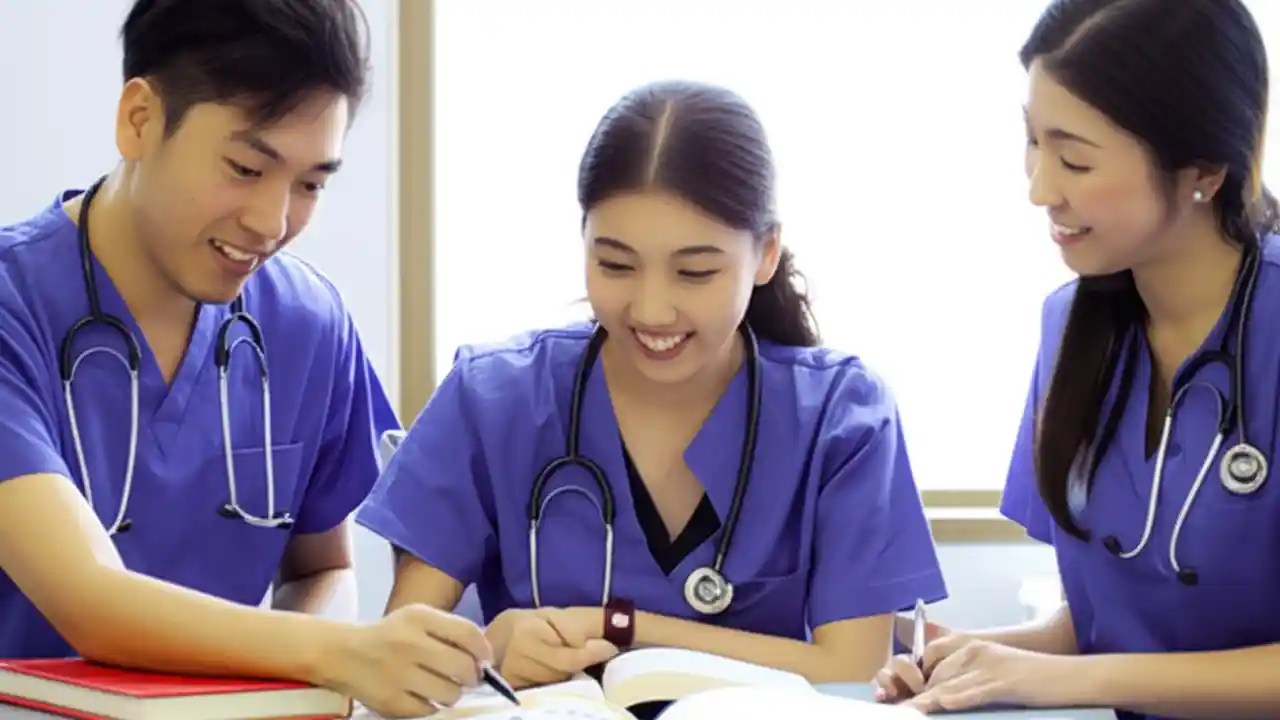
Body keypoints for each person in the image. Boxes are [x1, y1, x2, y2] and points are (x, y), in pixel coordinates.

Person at [355, 79, 948, 690]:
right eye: (615, 264)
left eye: (695, 272)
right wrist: (492, 647)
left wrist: (619, 628)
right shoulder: (491, 399)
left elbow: (852, 667)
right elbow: (402, 650)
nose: (652, 310)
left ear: (766, 253)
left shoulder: (842, 418)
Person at [0, 1, 491, 717]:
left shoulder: (308, 325)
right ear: (138, 119)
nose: (272, 222)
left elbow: (322, 567)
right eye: (245, 167)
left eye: (311, 184)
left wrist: (314, 691)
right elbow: (89, 602)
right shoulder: (15, 309)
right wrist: (345, 655)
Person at [873, 1, 1280, 717]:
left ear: (1206, 170)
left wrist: (1069, 682)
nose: (1038, 188)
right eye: (1032, 141)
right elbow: (1104, 626)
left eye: (1075, 158)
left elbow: (1105, 668)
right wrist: (977, 660)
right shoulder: (1070, 327)